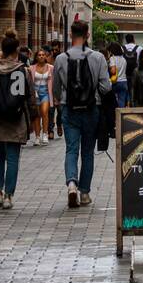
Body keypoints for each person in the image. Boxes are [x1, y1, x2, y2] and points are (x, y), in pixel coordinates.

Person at [53, 20, 111, 208]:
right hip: (91, 109)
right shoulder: (98, 58)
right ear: (87, 35)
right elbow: (106, 86)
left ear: (71, 35)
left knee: (71, 149)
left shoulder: (61, 58)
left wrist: (59, 99)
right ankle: (84, 192)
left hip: (69, 108)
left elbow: (56, 88)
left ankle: (71, 183)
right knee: (87, 152)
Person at [0, 30, 38, 209]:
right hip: (16, 117)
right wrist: (33, 119)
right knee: (13, 157)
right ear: (17, 50)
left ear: (2, 50)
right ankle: (9, 196)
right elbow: (30, 98)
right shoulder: (24, 70)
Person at [30, 48, 54, 145]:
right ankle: (37, 136)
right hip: (35, 93)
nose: (41, 56)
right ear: (36, 57)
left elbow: (54, 81)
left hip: (46, 92)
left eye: (43, 55)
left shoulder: (50, 68)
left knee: (44, 112)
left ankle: (45, 134)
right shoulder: (31, 68)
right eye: (39, 55)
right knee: (36, 115)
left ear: (45, 57)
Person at [107, 42, 128, 109]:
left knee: (113, 101)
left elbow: (113, 71)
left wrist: (108, 68)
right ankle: (120, 117)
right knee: (122, 101)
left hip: (115, 82)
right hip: (124, 81)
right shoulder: (124, 59)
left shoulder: (112, 58)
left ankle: (114, 117)